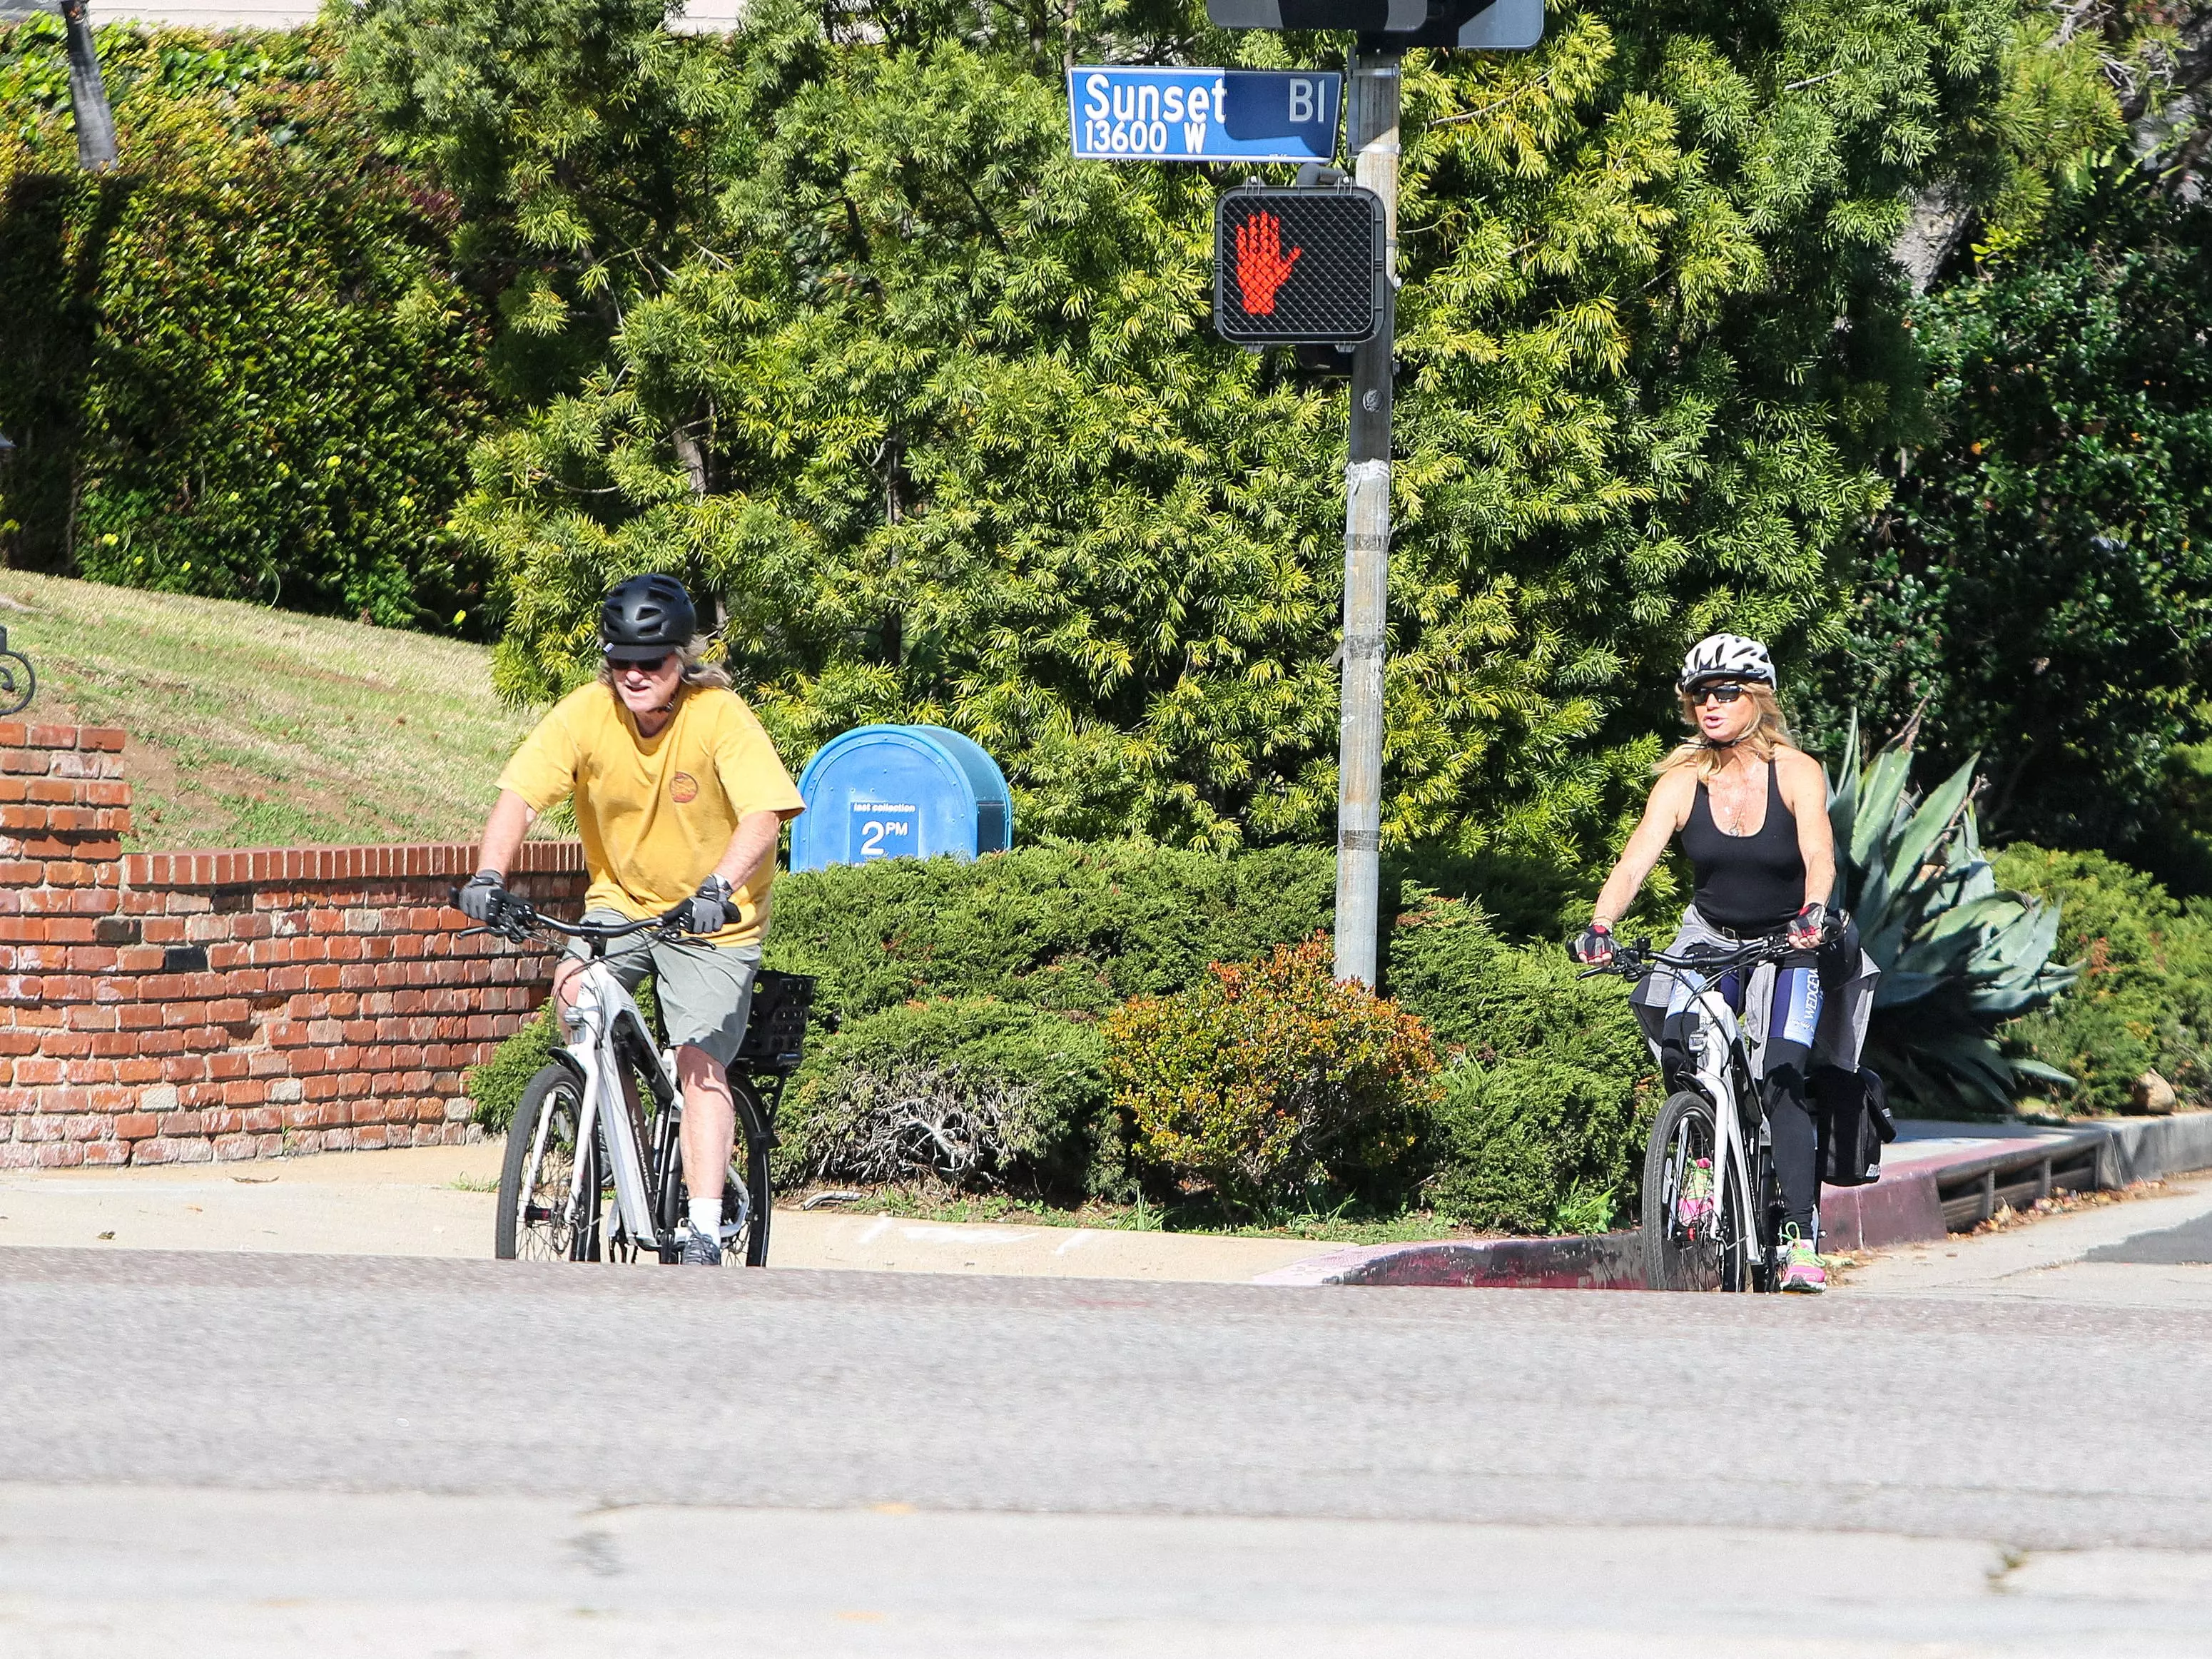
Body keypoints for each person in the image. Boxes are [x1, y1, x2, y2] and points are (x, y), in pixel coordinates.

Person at [460, 574, 804, 1265]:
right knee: (574, 996)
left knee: (700, 1061)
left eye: (652, 662)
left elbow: (764, 815)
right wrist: (489, 875)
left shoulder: (719, 717)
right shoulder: (587, 714)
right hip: (622, 900)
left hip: (712, 912)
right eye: (622, 660)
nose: (635, 675)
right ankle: (621, 1142)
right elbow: (519, 797)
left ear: (683, 661)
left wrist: (719, 886)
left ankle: (704, 1228)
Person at [1571, 634, 1843, 1292]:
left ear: (1759, 698)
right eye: (1699, 695)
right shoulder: (1680, 783)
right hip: (1711, 937)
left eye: (1726, 692)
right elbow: (1635, 861)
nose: (1711, 705)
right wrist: (1601, 923)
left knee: (1781, 1076)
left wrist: (1813, 911)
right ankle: (1699, 1152)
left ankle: (1799, 1238)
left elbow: (1820, 856)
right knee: (1680, 1046)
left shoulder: (1798, 771)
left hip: (1788, 942)